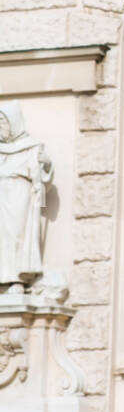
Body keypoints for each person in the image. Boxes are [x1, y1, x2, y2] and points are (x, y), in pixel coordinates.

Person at [0, 101, 53, 289]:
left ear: (13, 122)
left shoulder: (31, 147)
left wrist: (45, 165)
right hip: (2, 198)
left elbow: (43, 179)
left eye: (2, 121)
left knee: (17, 236)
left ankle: (17, 280)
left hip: (19, 197)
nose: (0, 126)